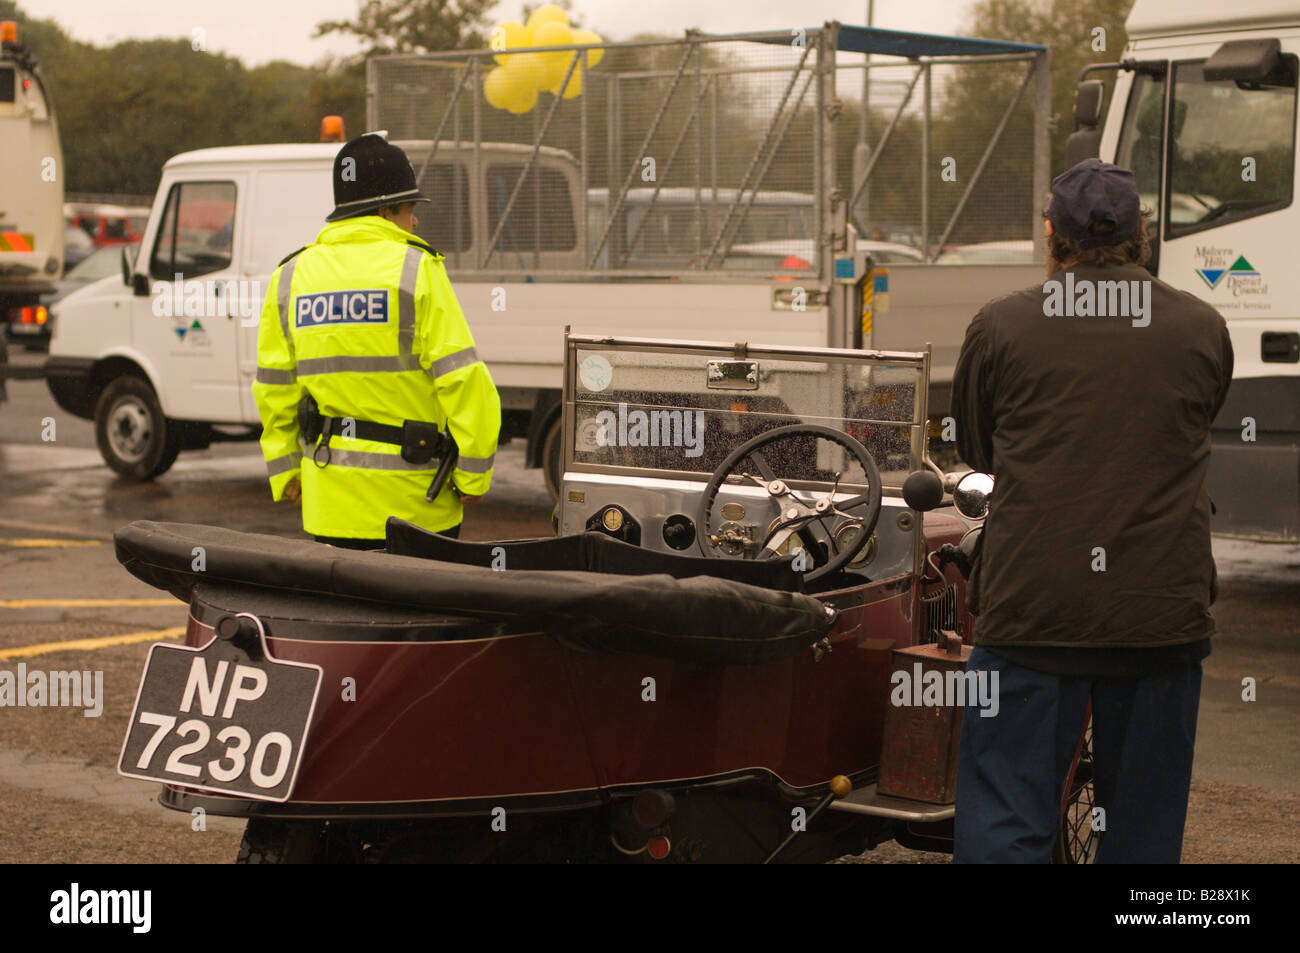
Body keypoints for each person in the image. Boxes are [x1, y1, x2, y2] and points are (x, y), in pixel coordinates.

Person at [950, 159, 1234, 863]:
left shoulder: (1000, 326)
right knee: (1142, 831)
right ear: (1143, 231)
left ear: (1052, 235)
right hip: (1159, 613)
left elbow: (979, 448)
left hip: (1032, 613)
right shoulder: (1201, 326)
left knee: (1005, 821)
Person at [253, 132, 501, 549]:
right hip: (416, 510)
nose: (415, 221)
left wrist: (285, 470)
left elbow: (273, 388)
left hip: (329, 510)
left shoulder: (290, 277)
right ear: (386, 210)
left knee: (342, 614)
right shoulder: (416, 269)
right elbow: (463, 379)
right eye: (409, 209)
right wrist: (474, 475)